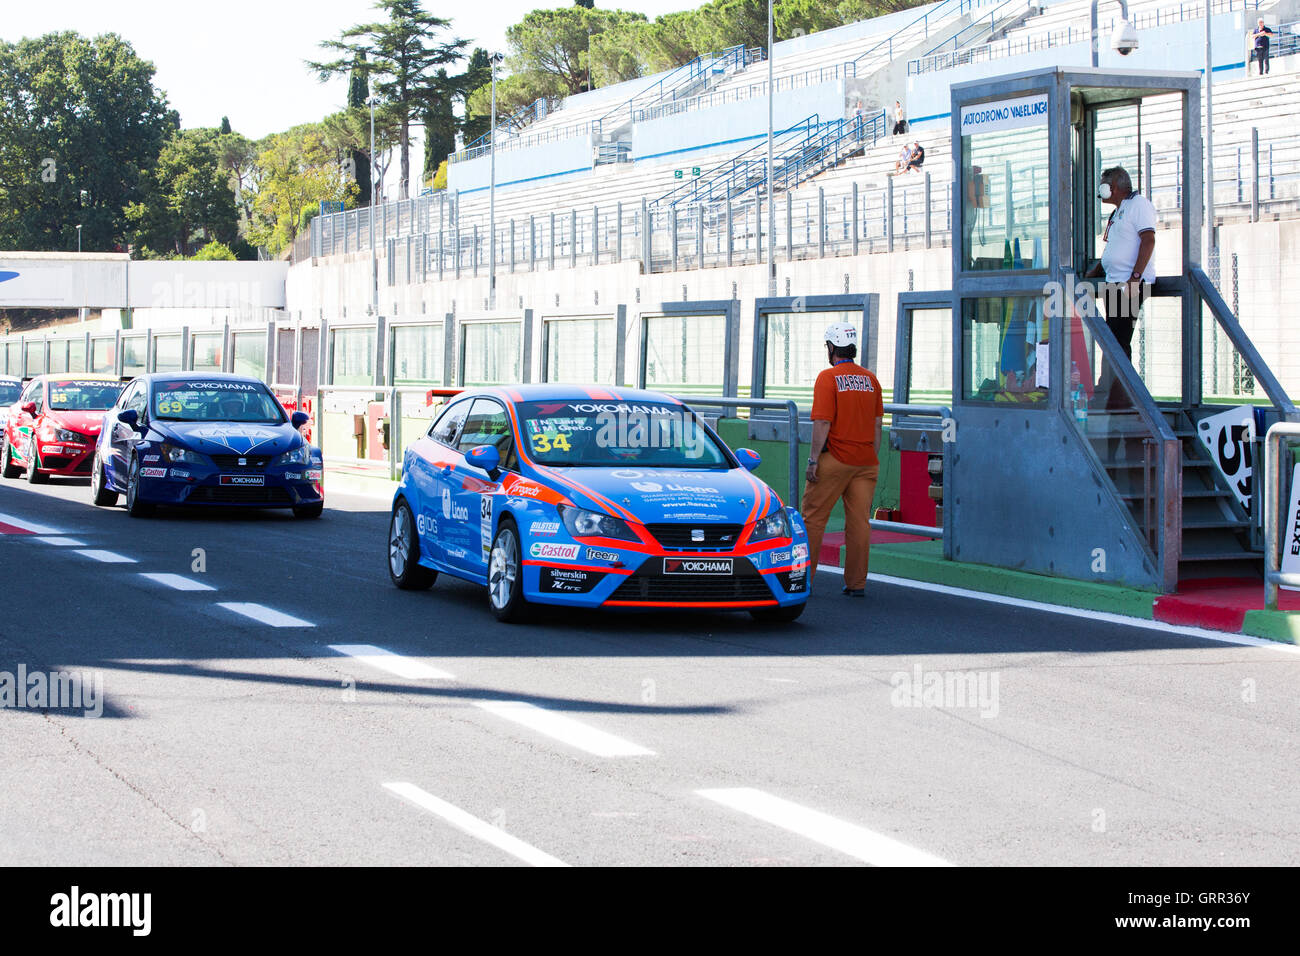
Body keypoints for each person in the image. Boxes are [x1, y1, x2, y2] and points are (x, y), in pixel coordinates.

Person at [802, 322, 884, 598]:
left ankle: (803, 580)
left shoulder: (828, 378)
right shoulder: (871, 380)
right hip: (866, 461)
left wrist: (814, 460)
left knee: (813, 519)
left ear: (831, 348)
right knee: (859, 522)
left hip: (835, 459)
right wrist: (872, 457)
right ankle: (856, 583)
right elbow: (876, 425)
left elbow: (822, 422)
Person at [1084, 166, 1156, 409]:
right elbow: (1115, 248)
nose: (1101, 189)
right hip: (1114, 284)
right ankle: (1116, 395)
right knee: (1114, 339)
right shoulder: (1117, 213)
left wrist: (1135, 278)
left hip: (1129, 285)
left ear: (1114, 186)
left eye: (1104, 184)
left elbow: (1149, 240)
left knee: (1117, 340)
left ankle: (1117, 396)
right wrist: (1096, 271)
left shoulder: (1139, 205)